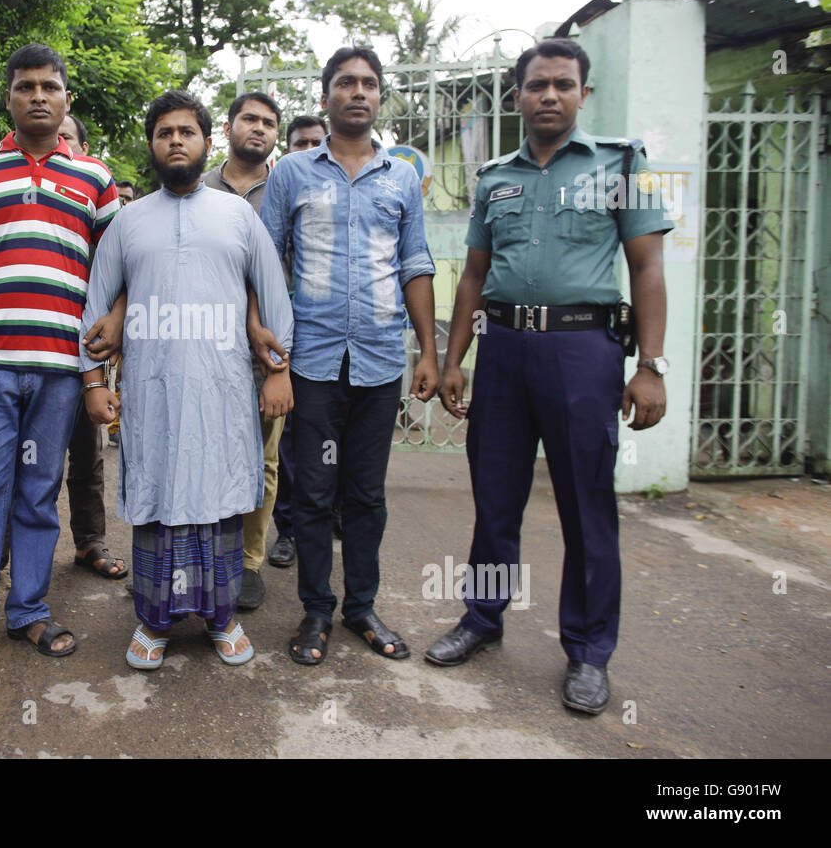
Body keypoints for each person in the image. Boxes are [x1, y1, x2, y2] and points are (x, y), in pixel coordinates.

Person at [428, 38, 672, 716]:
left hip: (582, 353)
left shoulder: (623, 164)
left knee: (586, 507)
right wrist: (455, 361)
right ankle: (482, 618)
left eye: (564, 85)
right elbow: (473, 275)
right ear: (518, 95)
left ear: (582, 94)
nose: (549, 96)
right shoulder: (494, 179)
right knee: (495, 499)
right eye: (537, 85)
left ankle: (589, 651)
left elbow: (648, 268)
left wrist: (650, 366)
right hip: (503, 349)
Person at [0, 45, 119, 687]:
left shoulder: (95, 178)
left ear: (66, 100)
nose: (38, 96)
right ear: (8, 98)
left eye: (50, 87)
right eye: (26, 87)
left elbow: (116, 271)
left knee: (38, 496)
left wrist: (106, 344)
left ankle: (30, 611)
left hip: (61, 371)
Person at [80, 89, 293, 669]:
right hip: (151, 391)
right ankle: (154, 622)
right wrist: (95, 382)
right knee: (157, 503)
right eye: (164, 132)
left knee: (221, 500)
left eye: (187, 131)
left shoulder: (237, 216)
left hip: (224, 389)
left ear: (206, 142)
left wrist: (278, 373)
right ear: (152, 145)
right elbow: (98, 305)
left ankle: (222, 619)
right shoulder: (128, 221)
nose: (176, 140)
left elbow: (271, 300)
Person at [260, 46, 439, 666]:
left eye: (368, 83)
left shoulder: (400, 178)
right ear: (326, 94)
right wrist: (273, 359)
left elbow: (415, 264)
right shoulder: (291, 174)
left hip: (381, 358)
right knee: (312, 493)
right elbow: (266, 264)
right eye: (345, 83)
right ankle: (315, 610)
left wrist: (429, 354)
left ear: (380, 96)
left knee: (365, 495)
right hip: (311, 361)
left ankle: (361, 606)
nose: (357, 92)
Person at [201, 91, 285, 611]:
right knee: (205, 452)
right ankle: (198, 555)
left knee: (261, 457)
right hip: (203, 342)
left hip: (265, 347)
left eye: (268, 122)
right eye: (249, 119)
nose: (258, 128)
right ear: (229, 127)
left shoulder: (284, 189)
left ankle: (249, 561)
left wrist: (280, 355)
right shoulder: (198, 185)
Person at [55, 113, 127, 581]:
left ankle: (89, 542)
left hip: (84, 349)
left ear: (81, 146)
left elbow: (120, 267)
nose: (57, 142)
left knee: (86, 451)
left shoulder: (95, 196)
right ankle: (5, 553)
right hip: (30, 346)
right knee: (22, 463)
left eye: (66, 136)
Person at [267, 115, 329, 570]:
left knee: (324, 442)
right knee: (285, 447)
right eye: (299, 143)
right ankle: (287, 529)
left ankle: (327, 520)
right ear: (285, 150)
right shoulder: (281, 191)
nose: (307, 150)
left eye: (315, 143)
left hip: (325, 336)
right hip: (280, 335)